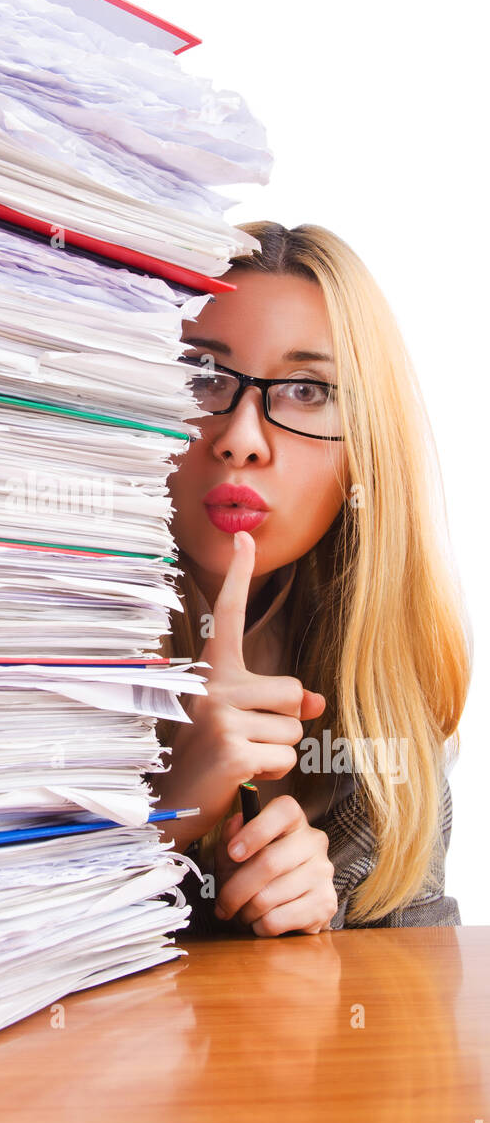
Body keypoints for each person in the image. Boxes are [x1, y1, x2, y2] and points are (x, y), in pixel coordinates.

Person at [154, 222, 472, 934]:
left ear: (363, 451)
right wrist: (166, 814)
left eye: (305, 389)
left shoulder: (380, 683)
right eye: (203, 376)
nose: (240, 436)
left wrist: (311, 920)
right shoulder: (32, 627)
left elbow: (407, 1011)